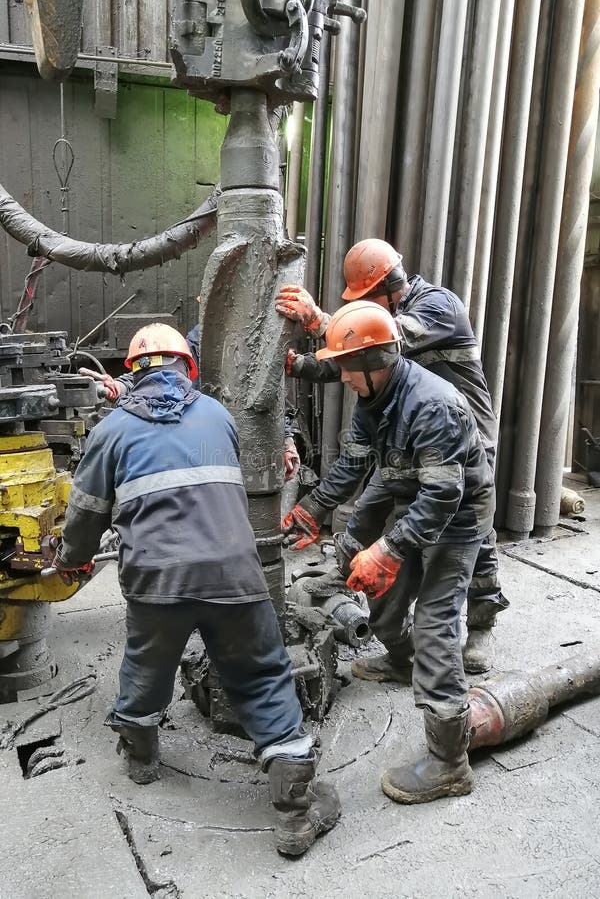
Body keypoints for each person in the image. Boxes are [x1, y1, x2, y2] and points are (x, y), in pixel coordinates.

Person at [58, 322, 339, 857]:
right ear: (187, 367)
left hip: (157, 580)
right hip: (236, 574)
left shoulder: (110, 431)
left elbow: (86, 515)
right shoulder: (217, 415)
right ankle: (295, 811)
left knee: (147, 664)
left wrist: (72, 561)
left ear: (130, 374)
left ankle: (140, 756)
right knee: (260, 674)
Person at [283, 302, 495, 803]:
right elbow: (354, 464)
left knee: (435, 622)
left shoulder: (432, 405)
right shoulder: (373, 400)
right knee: (383, 600)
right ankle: (403, 663)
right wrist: (312, 508)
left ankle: (450, 763)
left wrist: (391, 548)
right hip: (413, 496)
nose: (343, 379)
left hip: (460, 513)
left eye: (347, 370)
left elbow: (445, 496)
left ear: (376, 363)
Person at [276, 238, 507, 673]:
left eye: (361, 303)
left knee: (470, 534)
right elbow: (352, 359)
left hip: (461, 435)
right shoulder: (373, 382)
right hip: (406, 438)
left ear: (382, 290)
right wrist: (298, 365)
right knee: (369, 505)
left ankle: (480, 623)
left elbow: (378, 342)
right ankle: (347, 572)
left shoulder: (438, 306)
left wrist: (321, 320)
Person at [81, 318, 301, 481]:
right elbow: (161, 370)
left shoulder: (263, 342)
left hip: (244, 443)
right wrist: (120, 387)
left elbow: (274, 396)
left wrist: (286, 440)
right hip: (212, 437)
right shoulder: (200, 340)